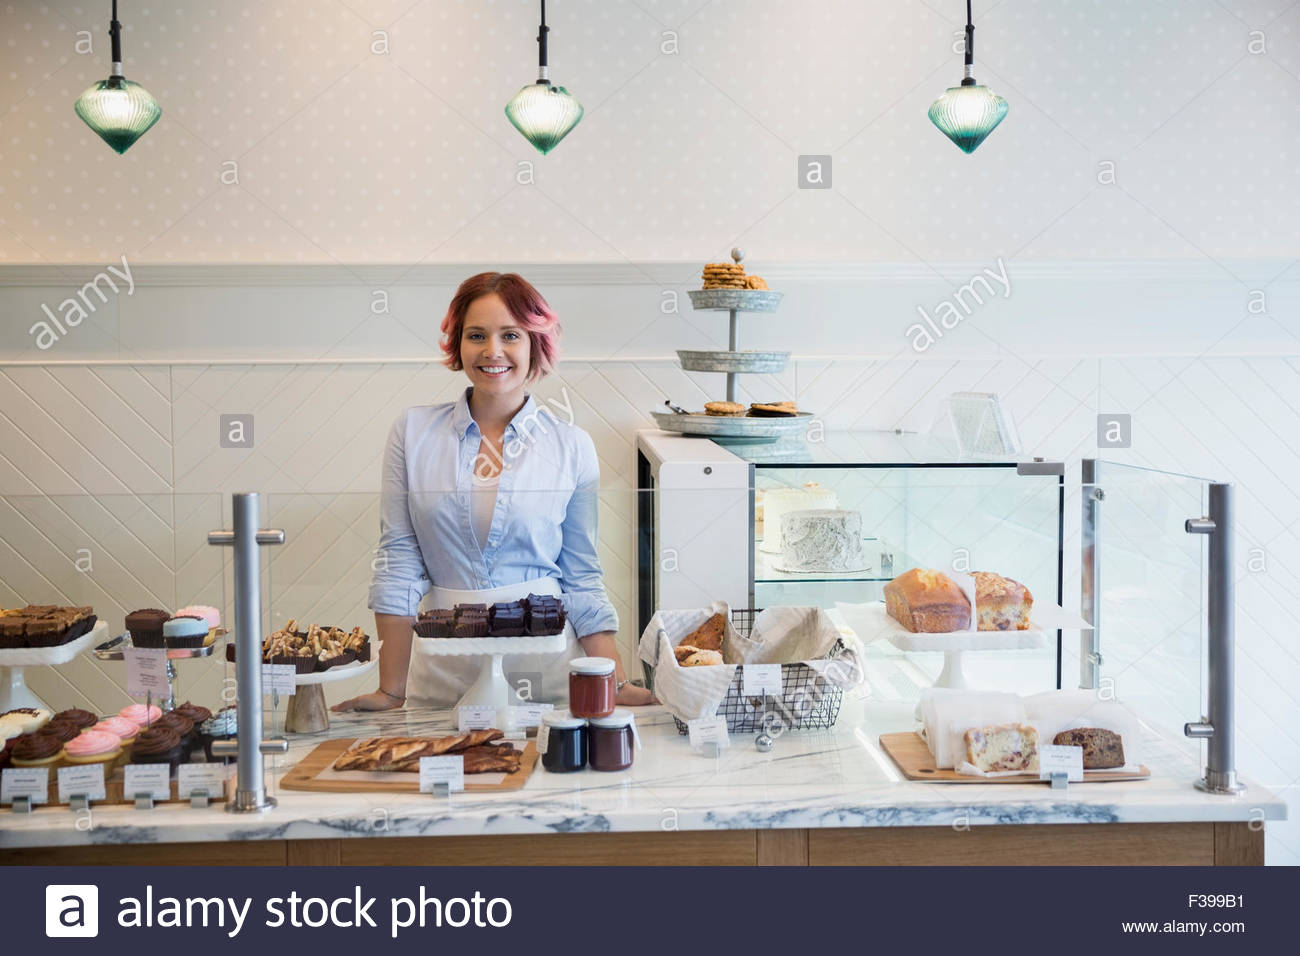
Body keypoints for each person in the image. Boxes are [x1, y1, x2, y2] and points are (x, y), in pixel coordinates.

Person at [334, 272, 655, 712]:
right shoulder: (411, 432)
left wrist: (614, 683)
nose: (492, 351)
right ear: (457, 344)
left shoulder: (572, 445)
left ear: (534, 344)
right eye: (476, 335)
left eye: (510, 335)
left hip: (545, 669)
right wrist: (391, 690)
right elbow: (399, 561)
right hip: (442, 667)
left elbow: (581, 575)